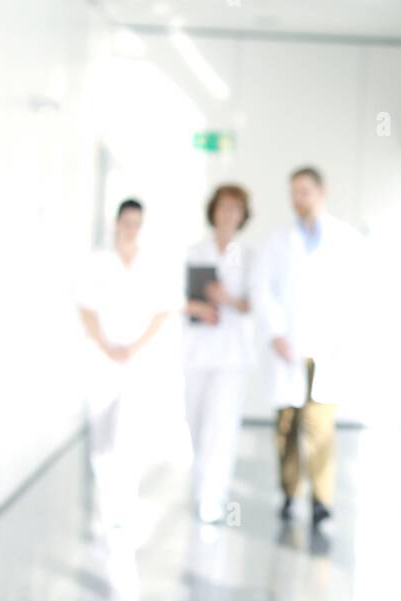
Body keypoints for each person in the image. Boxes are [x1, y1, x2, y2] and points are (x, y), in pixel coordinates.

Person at [254, 166, 357, 530]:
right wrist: (275, 333)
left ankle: (322, 502)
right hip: (287, 348)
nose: (298, 199)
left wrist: (345, 338)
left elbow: (354, 292)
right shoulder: (275, 242)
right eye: (293, 192)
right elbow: (262, 290)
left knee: (320, 428)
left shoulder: (344, 239)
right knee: (286, 428)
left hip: (326, 350)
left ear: (321, 192)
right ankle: (289, 492)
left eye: (304, 191)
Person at [78, 198, 177, 531]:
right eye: (127, 222)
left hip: (138, 359)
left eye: (137, 223)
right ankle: (107, 502)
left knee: (130, 433)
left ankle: (125, 503)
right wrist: (107, 347)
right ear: (116, 223)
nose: (131, 229)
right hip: (102, 358)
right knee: (103, 435)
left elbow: (162, 312)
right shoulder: (98, 263)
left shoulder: (152, 265)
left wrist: (133, 348)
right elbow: (86, 309)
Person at [183, 184, 254, 524]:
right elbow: (177, 298)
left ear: (243, 215)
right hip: (197, 351)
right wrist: (198, 305)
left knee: (220, 425)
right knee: (196, 423)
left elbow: (255, 304)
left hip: (232, 356)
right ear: (213, 210)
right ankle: (202, 487)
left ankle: (214, 496)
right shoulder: (194, 252)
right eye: (223, 207)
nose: (228, 214)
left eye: (235, 209)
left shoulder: (250, 256)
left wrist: (225, 299)